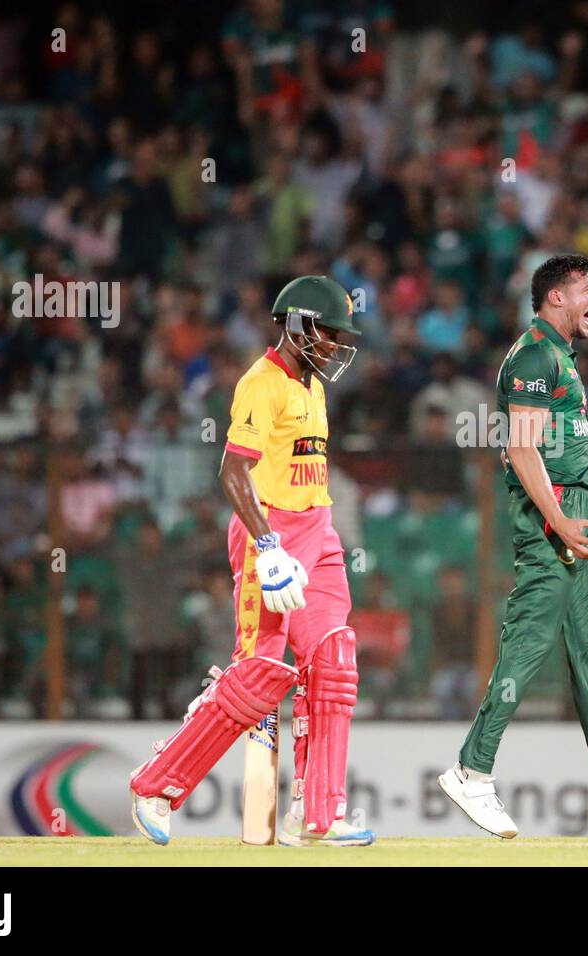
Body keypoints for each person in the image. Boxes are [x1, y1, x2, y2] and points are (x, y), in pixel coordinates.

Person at [438, 254, 588, 837]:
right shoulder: (532, 356)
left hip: (573, 510)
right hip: (552, 515)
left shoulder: (558, 359)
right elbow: (523, 450)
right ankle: (471, 770)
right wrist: (559, 521)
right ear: (556, 297)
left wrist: (574, 517)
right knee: (528, 642)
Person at [130, 275, 374, 847]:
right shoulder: (261, 383)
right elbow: (233, 472)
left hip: (319, 526)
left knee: (334, 660)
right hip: (271, 532)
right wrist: (268, 548)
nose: (338, 346)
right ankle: (155, 785)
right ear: (298, 324)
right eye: (331, 333)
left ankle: (318, 816)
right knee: (258, 676)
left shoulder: (312, 385)